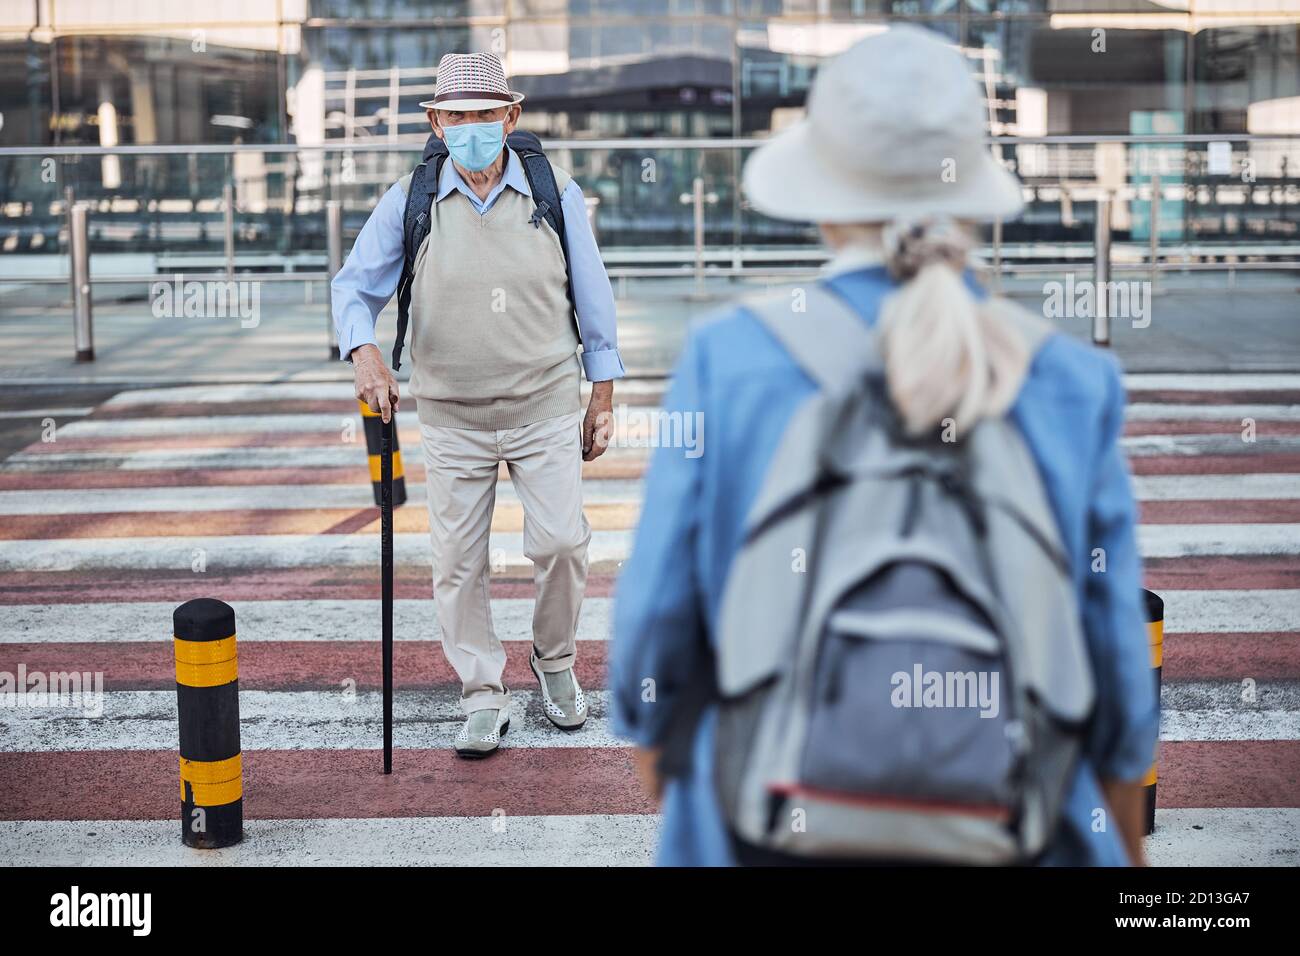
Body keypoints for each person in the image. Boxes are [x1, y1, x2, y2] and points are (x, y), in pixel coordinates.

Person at [609, 25, 1158, 865]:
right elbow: (1115, 663)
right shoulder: (1069, 380)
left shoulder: (729, 360)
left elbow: (654, 623)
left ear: (823, 201)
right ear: (971, 193)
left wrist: (665, 753)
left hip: (763, 823)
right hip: (1019, 824)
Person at [333, 52, 625, 757]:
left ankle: (554, 664)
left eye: (485, 115)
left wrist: (603, 394)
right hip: (453, 416)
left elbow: (594, 298)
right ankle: (482, 693)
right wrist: (364, 351)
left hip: (546, 404)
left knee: (560, 542)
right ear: (435, 124)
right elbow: (353, 287)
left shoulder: (555, 193)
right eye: (456, 117)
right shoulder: (412, 197)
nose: (471, 129)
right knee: (458, 563)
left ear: (511, 118)